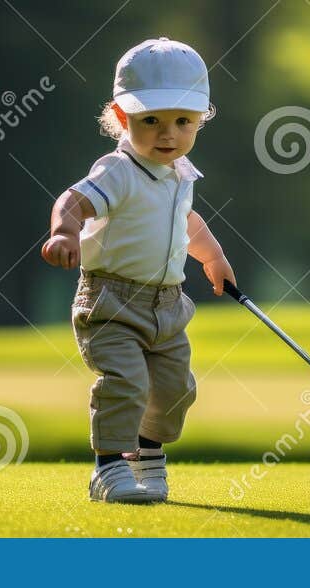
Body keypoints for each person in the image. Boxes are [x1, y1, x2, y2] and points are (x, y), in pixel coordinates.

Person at [40, 37, 237, 503]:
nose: (168, 134)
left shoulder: (179, 173)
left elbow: (185, 221)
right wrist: (64, 232)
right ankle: (108, 467)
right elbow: (73, 201)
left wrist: (213, 258)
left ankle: (147, 458)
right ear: (122, 117)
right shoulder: (118, 171)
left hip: (168, 305)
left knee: (174, 390)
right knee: (125, 383)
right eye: (152, 121)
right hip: (111, 300)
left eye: (183, 122)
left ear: (200, 120)